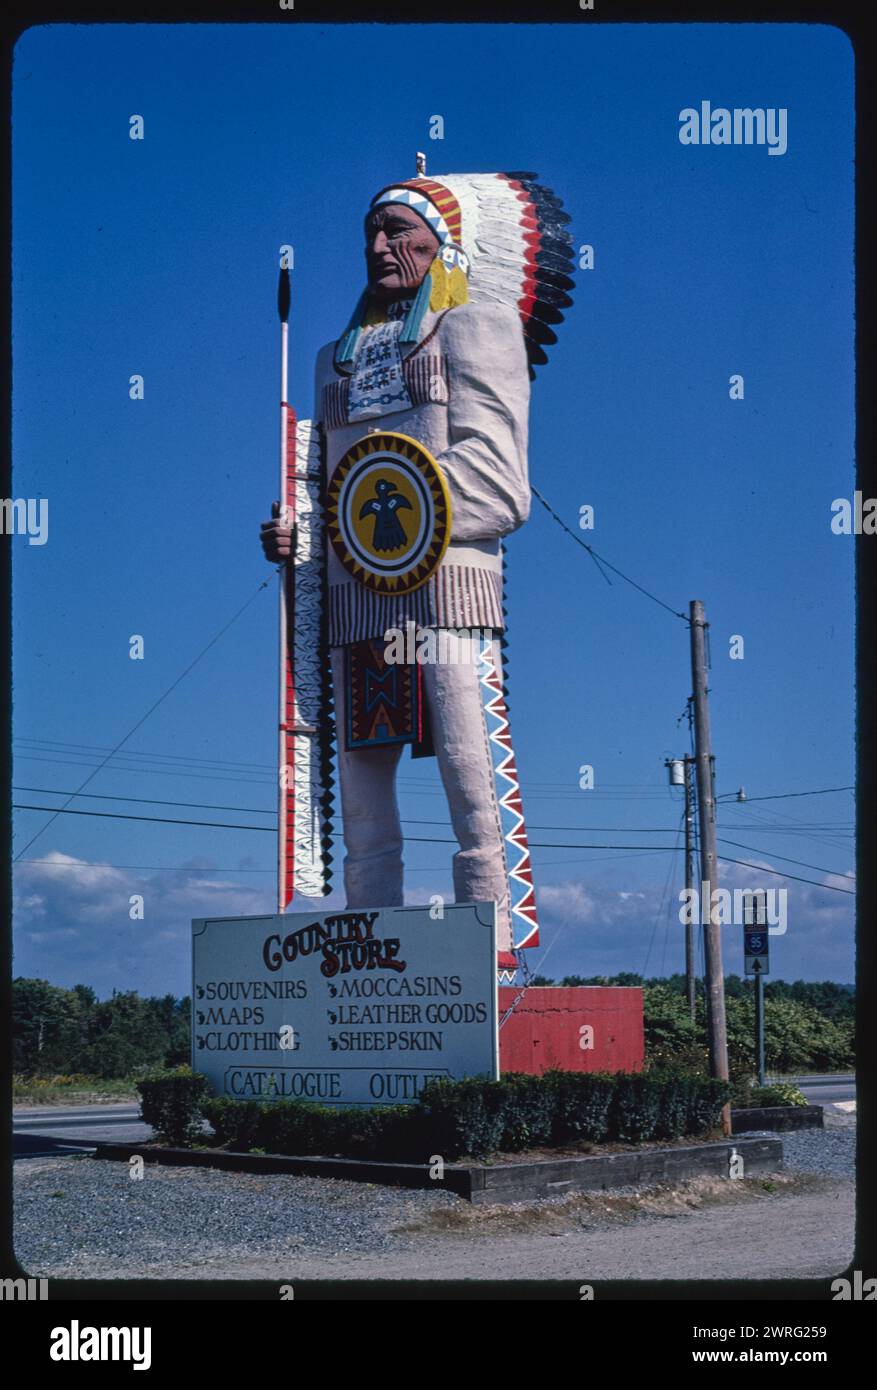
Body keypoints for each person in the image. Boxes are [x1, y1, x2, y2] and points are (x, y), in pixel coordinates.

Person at [261, 171, 571, 964]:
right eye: (373, 233)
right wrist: (300, 538)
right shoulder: (334, 358)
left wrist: (396, 527)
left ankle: (492, 943)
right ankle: (366, 952)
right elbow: (329, 488)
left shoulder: (474, 329)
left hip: (445, 588)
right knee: (362, 781)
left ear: (447, 245)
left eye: (401, 232)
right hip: (353, 598)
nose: (379, 249)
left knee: (470, 769)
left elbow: (501, 484)